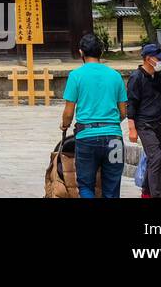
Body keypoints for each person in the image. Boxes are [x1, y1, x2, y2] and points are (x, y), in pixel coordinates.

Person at [60, 32, 128, 198]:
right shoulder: (115, 76)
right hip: (114, 138)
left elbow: (68, 112)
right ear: (101, 52)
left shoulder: (76, 76)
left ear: (81, 52)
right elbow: (124, 112)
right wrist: (110, 123)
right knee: (112, 186)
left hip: (86, 137)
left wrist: (64, 125)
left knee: (86, 185)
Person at [128, 43, 161, 198]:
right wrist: (132, 128)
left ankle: (146, 192)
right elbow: (131, 104)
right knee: (156, 157)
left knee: (155, 158)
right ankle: (156, 195)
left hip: (159, 123)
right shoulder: (136, 78)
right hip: (144, 125)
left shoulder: (159, 76)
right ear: (147, 58)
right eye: (158, 58)